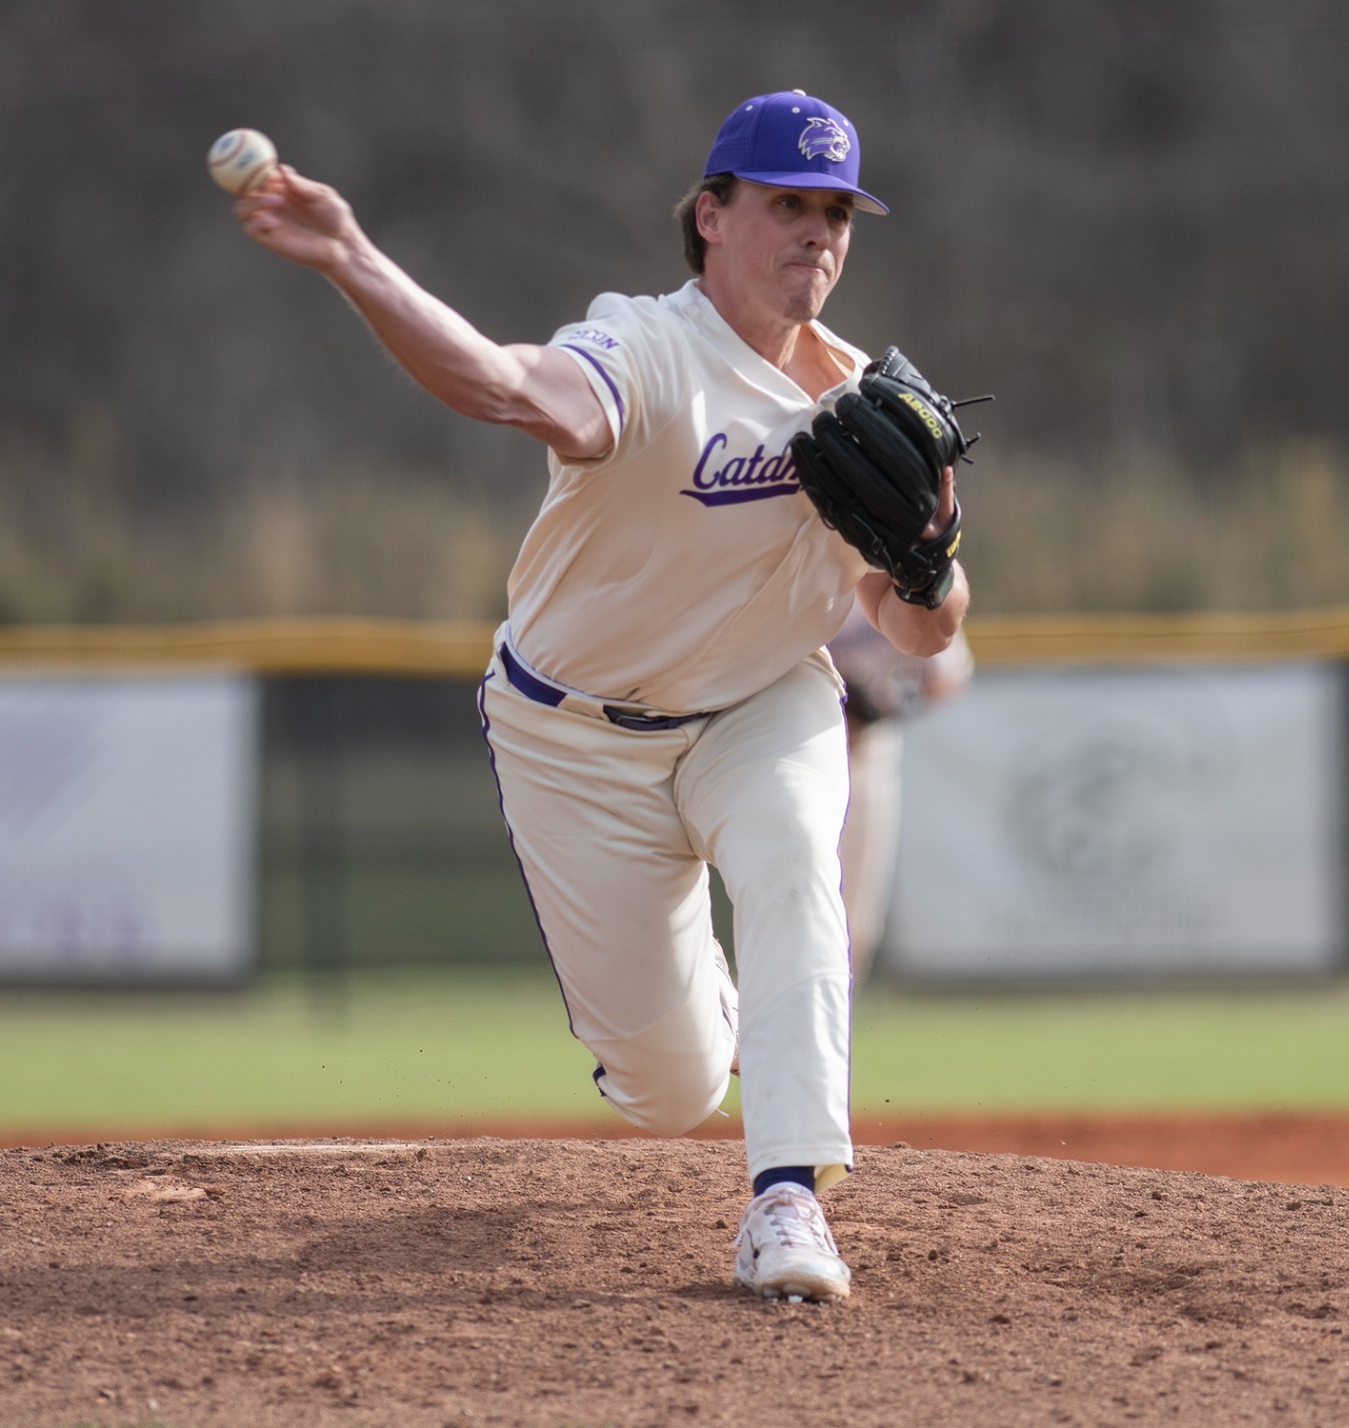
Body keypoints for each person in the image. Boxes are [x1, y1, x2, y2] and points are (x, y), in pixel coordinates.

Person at [235, 90, 969, 1303]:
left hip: (760, 704)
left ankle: (787, 1201)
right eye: (788, 204)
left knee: (795, 859)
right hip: (572, 740)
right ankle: (716, 1037)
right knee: (673, 1087)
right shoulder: (644, 349)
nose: (818, 233)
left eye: (837, 212)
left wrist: (930, 564)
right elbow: (506, 388)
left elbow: (920, 630)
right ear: (709, 216)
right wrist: (351, 258)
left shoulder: (867, 407)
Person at [829, 611, 975, 981]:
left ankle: (835, 1028)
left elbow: (949, 675)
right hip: (801, 744)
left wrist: (886, 704)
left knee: (856, 924)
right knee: (789, 901)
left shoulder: (901, 571)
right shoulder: (816, 566)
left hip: (868, 754)